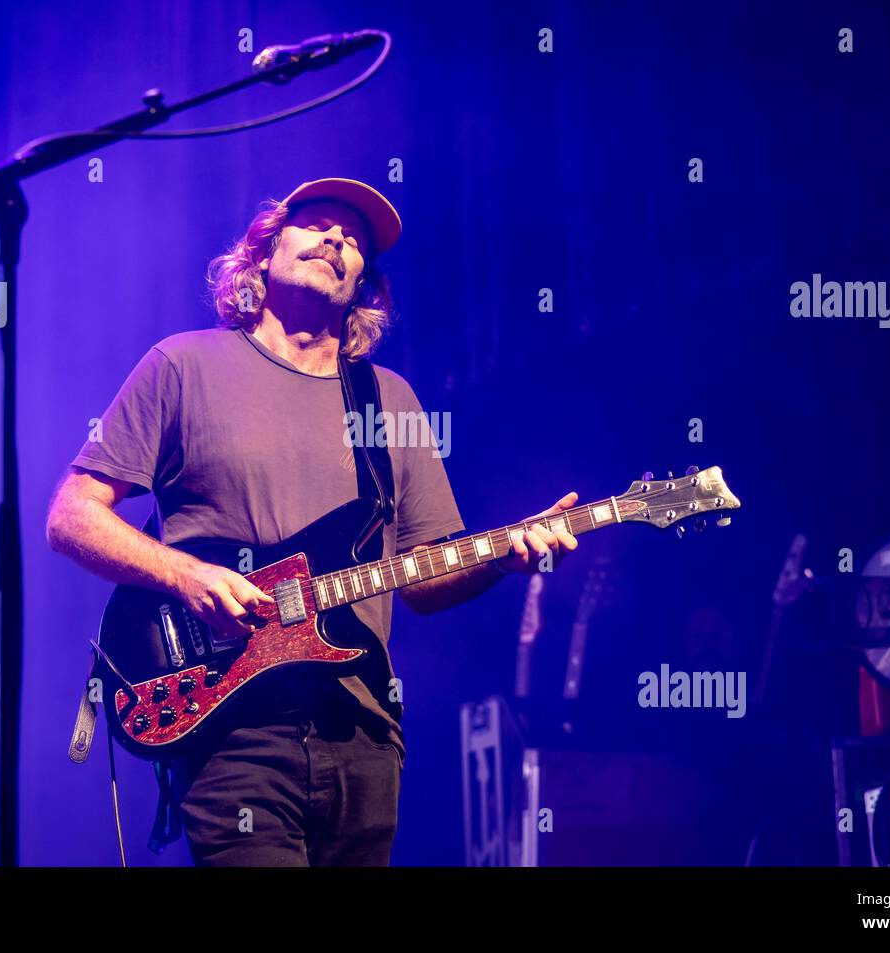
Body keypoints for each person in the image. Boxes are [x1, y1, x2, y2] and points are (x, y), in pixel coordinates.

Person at [46, 177, 578, 865]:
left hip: (364, 733)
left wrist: (505, 555)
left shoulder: (389, 400)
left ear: (364, 286)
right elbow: (71, 514)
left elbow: (421, 578)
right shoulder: (182, 364)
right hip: (233, 725)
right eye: (318, 224)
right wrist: (185, 573)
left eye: (355, 242)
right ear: (262, 253)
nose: (337, 240)